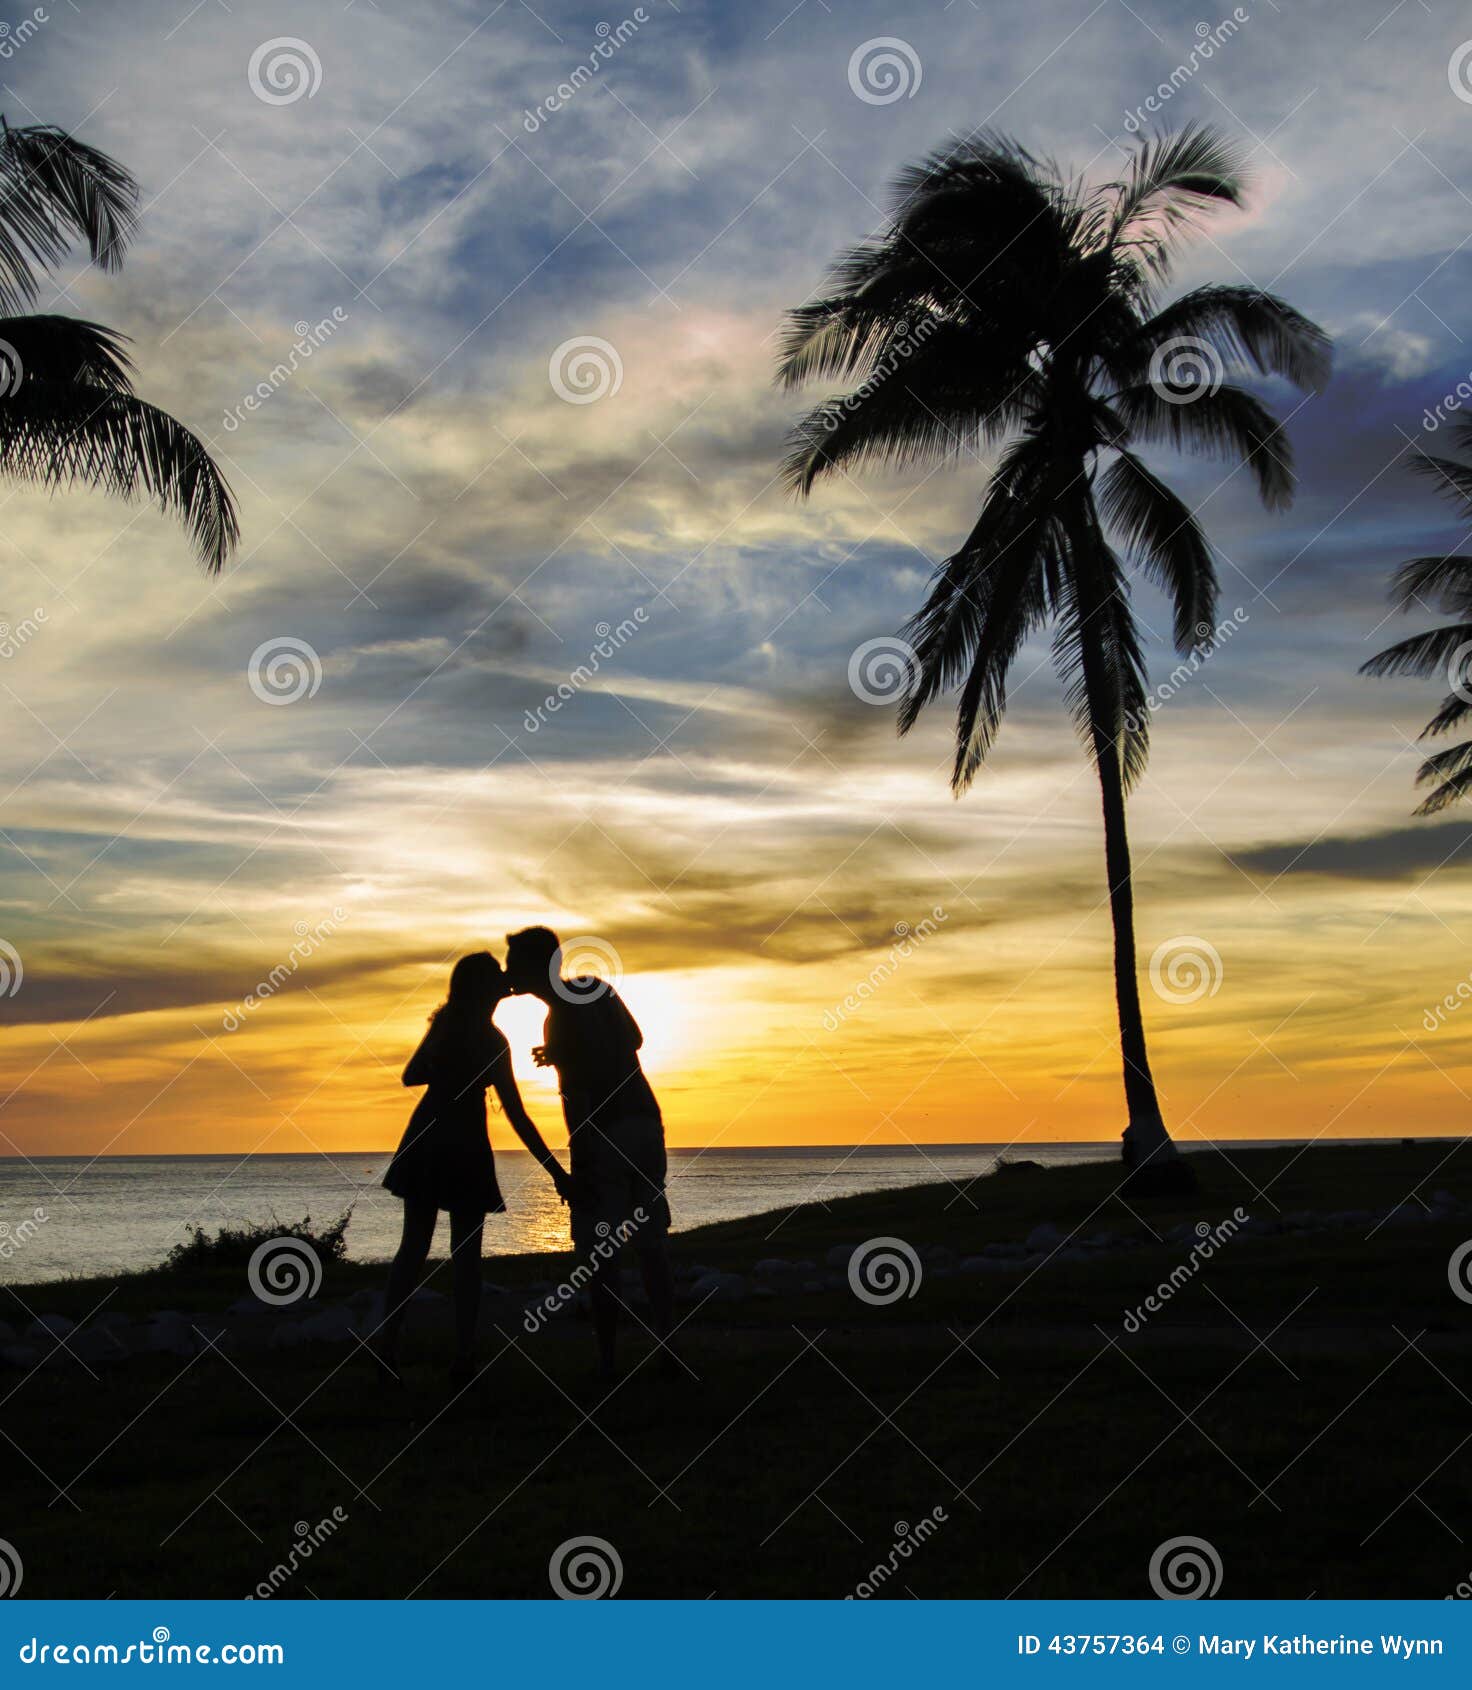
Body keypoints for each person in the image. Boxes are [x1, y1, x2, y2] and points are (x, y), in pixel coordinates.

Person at [377, 951, 569, 1387]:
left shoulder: (447, 1025)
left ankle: (389, 1348)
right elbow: (517, 1116)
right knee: (465, 1258)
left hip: (427, 1135)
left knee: (414, 1247)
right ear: (483, 989)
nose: (506, 983)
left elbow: (412, 1076)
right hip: (462, 1143)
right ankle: (462, 1356)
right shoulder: (491, 1040)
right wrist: (557, 1172)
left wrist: (444, 1069)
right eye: (497, 979)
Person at [504, 927, 673, 1384]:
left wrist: (578, 1167)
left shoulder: (557, 1017)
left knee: (600, 1252)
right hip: (644, 1123)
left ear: (537, 967)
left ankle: (608, 1362)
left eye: (514, 963)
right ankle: (668, 1350)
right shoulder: (596, 989)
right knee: (652, 1244)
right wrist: (567, 1052)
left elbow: (580, 1094)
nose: (507, 972)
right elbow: (634, 1041)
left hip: (603, 1136)